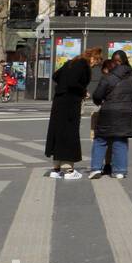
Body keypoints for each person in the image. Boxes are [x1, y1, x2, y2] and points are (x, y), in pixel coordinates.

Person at [46, 47, 104, 179]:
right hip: (70, 103)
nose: (95, 65)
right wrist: (83, 91)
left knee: (58, 132)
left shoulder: (71, 62)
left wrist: (62, 86)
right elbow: (73, 82)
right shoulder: (82, 65)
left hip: (59, 101)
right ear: (93, 57)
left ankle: (56, 168)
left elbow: (56, 76)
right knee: (69, 133)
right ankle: (69, 170)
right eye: (96, 62)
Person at [89, 50, 132, 180]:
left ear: (114, 61)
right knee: (121, 140)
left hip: (109, 112)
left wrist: (100, 101)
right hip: (127, 112)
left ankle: (96, 169)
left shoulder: (108, 77)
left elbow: (97, 96)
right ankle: (120, 171)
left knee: (100, 139)